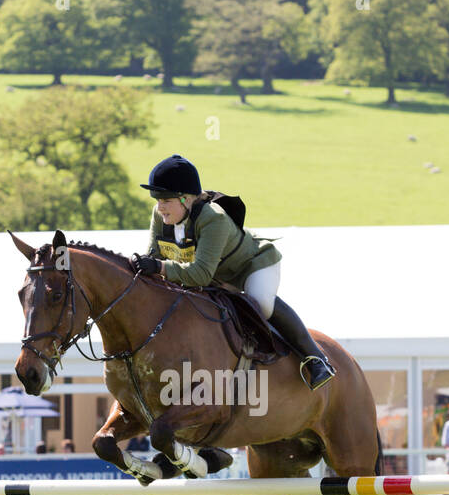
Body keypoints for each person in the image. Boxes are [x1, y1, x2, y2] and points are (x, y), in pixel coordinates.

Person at [131, 154, 335, 390]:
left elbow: (200, 274)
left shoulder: (212, 218)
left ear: (186, 199)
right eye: (156, 199)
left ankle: (316, 359)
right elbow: (154, 256)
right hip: (217, 276)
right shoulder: (160, 215)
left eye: (165, 200)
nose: (160, 207)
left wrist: (160, 267)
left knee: (260, 303)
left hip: (252, 266)